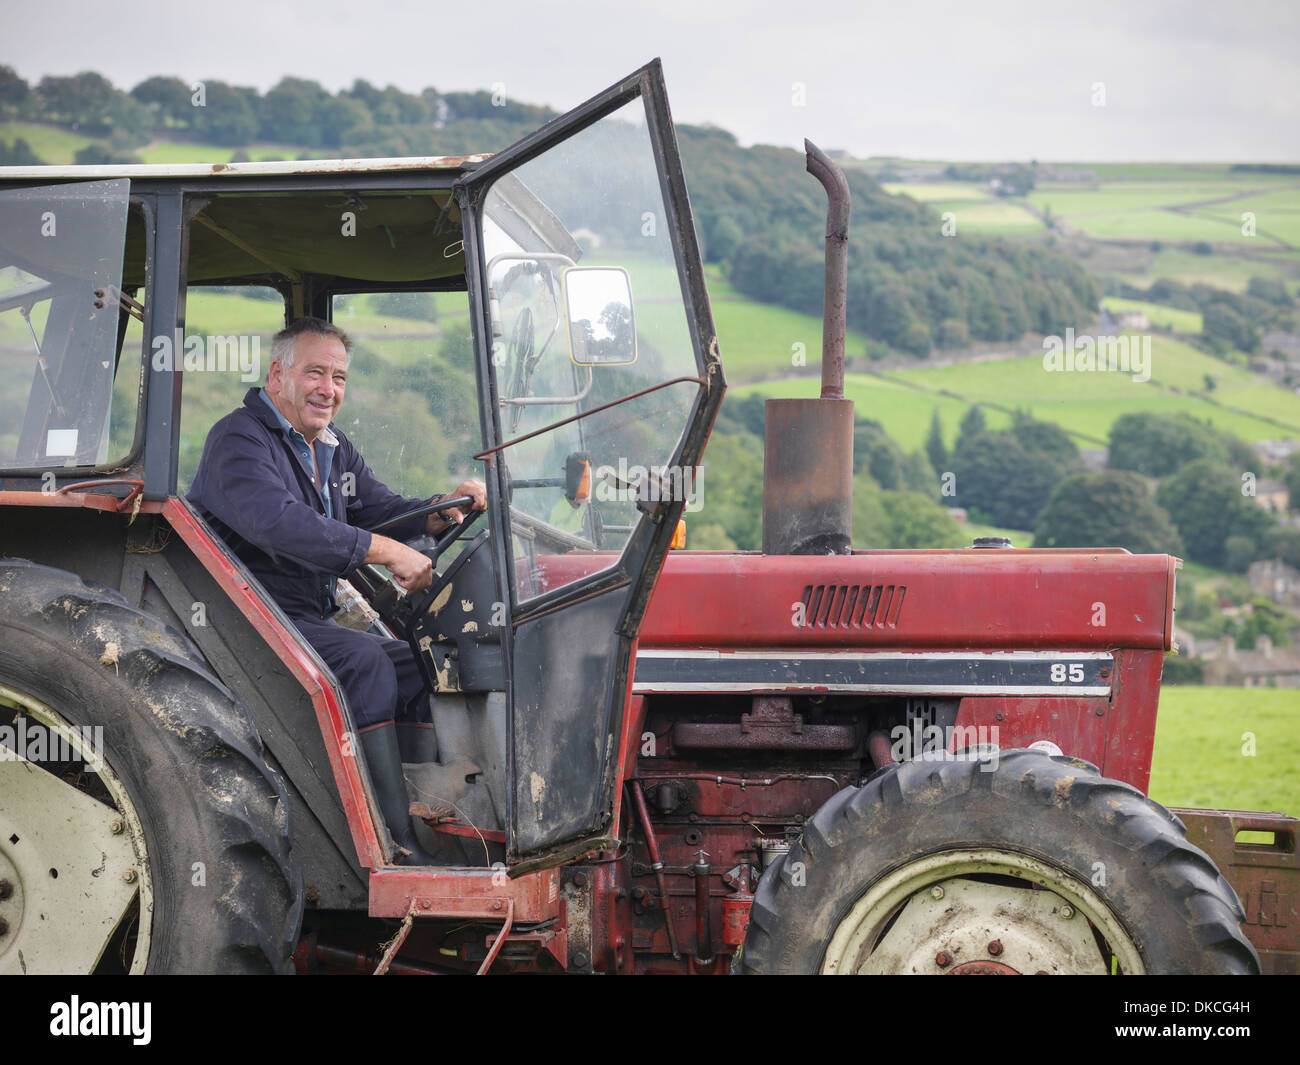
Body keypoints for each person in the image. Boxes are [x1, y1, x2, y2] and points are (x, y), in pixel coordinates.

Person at [188, 316, 486, 865]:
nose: (329, 389)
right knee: (365, 660)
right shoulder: (239, 439)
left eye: (340, 377)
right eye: (315, 373)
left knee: (420, 660)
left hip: (308, 617)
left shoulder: (330, 446)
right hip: (249, 617)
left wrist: (443, 510)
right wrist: (387, 551)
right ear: (278, 376)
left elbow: (382, 510)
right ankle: (392, 844)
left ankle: (435, 822)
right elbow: (279, 523)